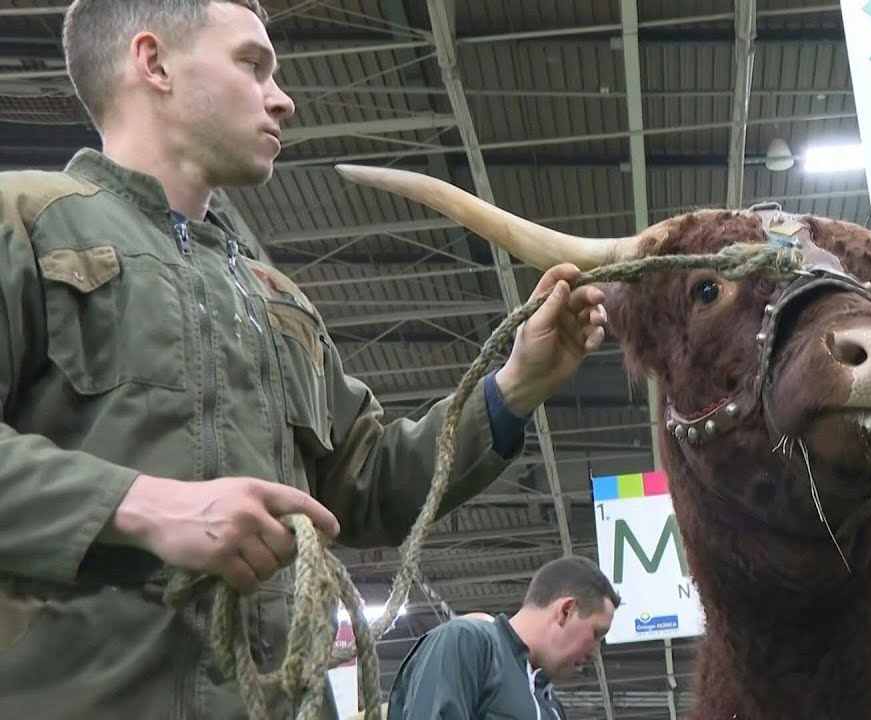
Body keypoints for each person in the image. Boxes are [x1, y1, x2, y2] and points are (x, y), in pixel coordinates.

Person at [0, 1, 607, 718]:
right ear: (153, 62)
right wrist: (143, 505)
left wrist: (515, 384)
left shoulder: (275, 300)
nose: (282, 97)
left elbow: (367, 485)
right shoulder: (26, 224)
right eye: (251, 65)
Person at [386, 555, 621, 719]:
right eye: (596, 634)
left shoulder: (552, 707)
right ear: (566, 611)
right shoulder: (469, 643)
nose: (594, 652)